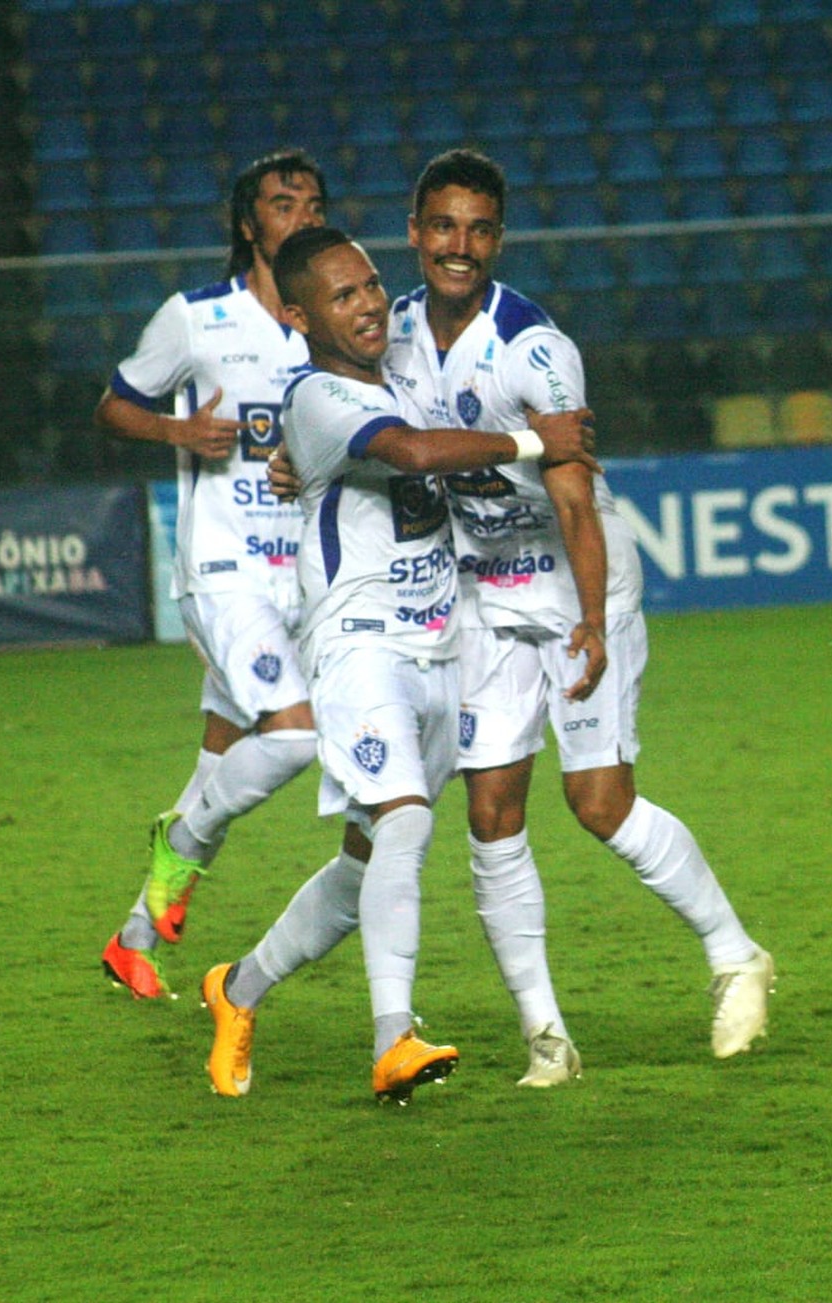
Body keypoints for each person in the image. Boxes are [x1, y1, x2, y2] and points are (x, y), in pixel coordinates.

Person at [270, 150, 774, 1079]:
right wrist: (295, 460)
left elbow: (573, 495)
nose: (459, 246)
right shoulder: (392, 327)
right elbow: (360, 425)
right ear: (415, 233)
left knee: (599, 804)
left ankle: (735, 954)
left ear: (499, 240)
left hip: (576, 588)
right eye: (442, 227)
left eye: (479, 230)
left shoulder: (535, 348)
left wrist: (594, 618)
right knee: (491, 815)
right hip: (482, 592)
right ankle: (547, 1036)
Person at [202, 225, 600, 1103]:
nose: (370, 304)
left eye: (373, 285)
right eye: (343, 296)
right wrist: (538, 440)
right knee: (409, 822)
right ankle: (393, 1039)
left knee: (361, 868)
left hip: (438, 648)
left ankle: (237, 989)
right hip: (359, 646)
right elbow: (413, 453)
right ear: (301, 318)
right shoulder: (317, 395)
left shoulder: (403, 380)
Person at [96, 150, 330, 1000]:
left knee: (221, 762)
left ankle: (132, 941)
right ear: (247, 223)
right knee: (297, 736)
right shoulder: (195, 319)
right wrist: (178, 432)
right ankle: (180, 839)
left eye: (313, 203)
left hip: (303, 576)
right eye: (283, 201)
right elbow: (114, 404)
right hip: (224, 572)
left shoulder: (331, 324)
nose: (302, 214)